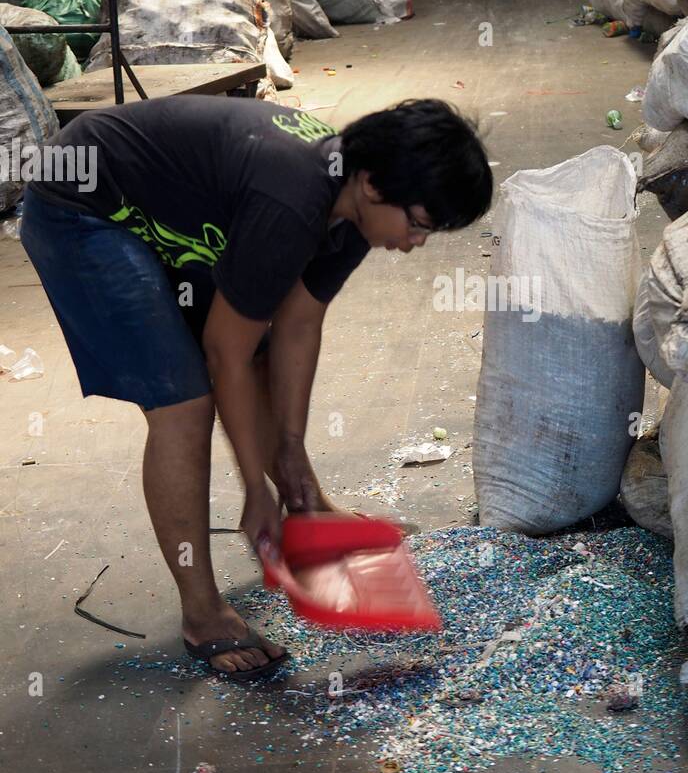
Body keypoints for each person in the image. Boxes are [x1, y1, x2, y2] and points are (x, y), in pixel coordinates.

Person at [21, 96, 493, 682]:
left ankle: (309, 507)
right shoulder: (291, 203)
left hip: (164, 206)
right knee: (183, 401)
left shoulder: (345, 210)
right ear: (373, 185)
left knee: (257, 358)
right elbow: (226, 354)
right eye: (420, 224)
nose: (418, 242)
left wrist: (290, 455)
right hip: (83, 207)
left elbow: (297, 325)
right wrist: (253, 489)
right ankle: (203, 614)